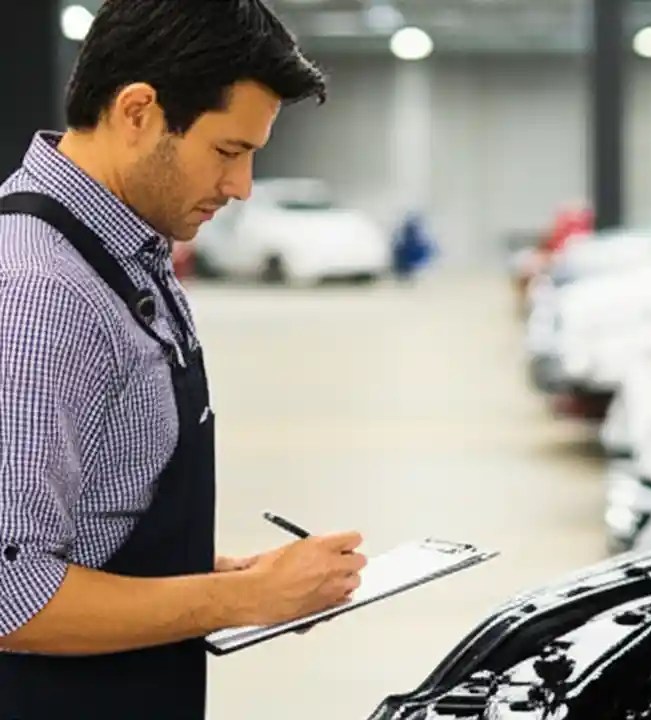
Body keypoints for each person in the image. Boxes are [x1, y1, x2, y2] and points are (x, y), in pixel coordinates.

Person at [0, 2, 368, 718]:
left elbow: (96, 526)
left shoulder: (123, 251)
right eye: (228, 151)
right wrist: (242, 598)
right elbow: (11, 593)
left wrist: (224, 579)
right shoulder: (40, 292)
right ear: (138, 111)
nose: (242, 186)